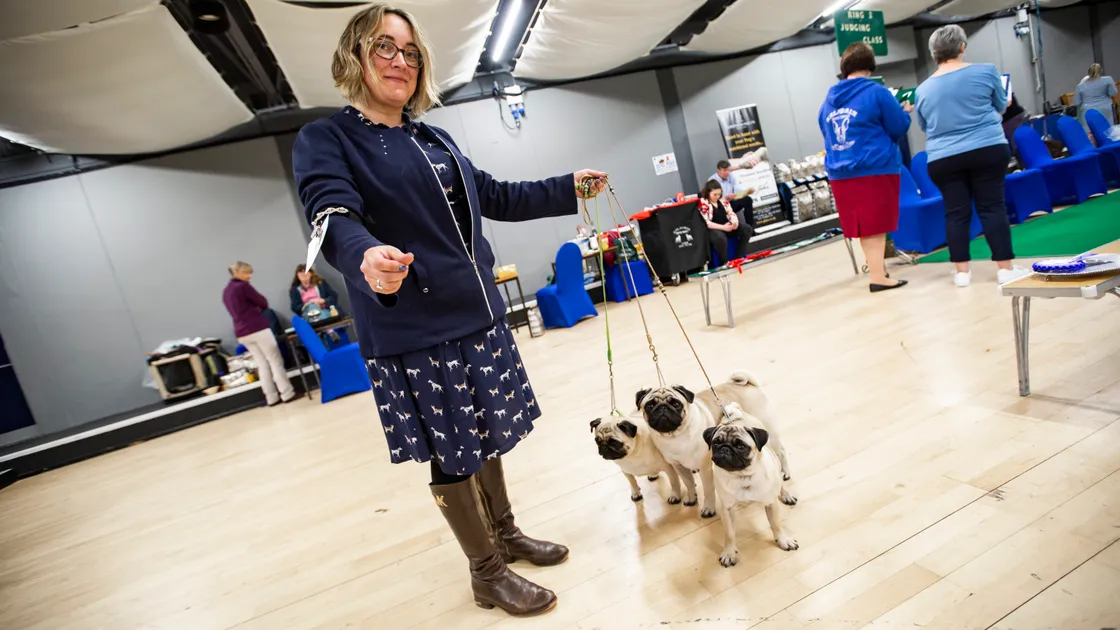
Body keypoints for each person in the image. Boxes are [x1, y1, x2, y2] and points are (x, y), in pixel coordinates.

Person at [290, 4, 606, 617]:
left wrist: (568, 187)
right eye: (384, 48)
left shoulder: (431, 135)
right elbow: (331, 215)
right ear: (354, 56)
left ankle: (505, 534)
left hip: (475, 313)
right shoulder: (327, 138)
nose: (400, 62)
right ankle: (485, 570)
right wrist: (364, 254)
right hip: (415, 326)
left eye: (410, 53)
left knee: (486, 435)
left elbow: (495, 196)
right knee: (452, 447)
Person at [916, 25, 1028, 288]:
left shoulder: (922, 90)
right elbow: (1002, 106)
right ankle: (1004, 268)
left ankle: (962, 273)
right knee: (992, 207)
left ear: (934, 54)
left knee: (955, 213)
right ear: (962, 47)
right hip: (987, 148)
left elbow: (924, 126)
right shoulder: (986, 71)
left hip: (943, 157)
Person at [818, 42, 911, 293]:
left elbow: (824, 130)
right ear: (870, 65)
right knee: (876, 224)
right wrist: (907, 113)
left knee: (863, 225)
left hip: (840, 172)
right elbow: (897, 127)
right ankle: (879, 277)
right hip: (873, 167)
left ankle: (878, 269)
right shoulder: (877, 92)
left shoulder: (828, 100)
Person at [222, 262, 296, 406]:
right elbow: (263, 303)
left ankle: (271, 397)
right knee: (275, 360)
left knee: (261, 364)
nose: (249, 276)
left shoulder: (226, 291)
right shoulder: (243, 286)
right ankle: (287, 393)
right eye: (246, 273)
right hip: (257, 329)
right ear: (236, 272)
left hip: (242, 333)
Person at [699, 179, 752, 264]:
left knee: (747, 229)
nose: (717, 197)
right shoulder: (703, 202)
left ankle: (739, 257)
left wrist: (734, 222)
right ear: (708, 193)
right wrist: (723, 227)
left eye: (719, 194)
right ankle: (725, 261)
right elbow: (707, 223)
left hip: (727, 225)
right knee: (720, 237)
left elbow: (730, 213)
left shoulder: (723, 200)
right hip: (713, 229)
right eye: (714, 194)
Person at [1075, 64, 1117, 129]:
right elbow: (1113, 93)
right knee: (1108, 130)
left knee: (1091, 132)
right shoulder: (1108, 80)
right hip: (1105, 108)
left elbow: (1077, 102)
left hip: (1088, 111)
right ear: (1101, 71)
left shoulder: (1080, 86)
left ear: (1088, 72)